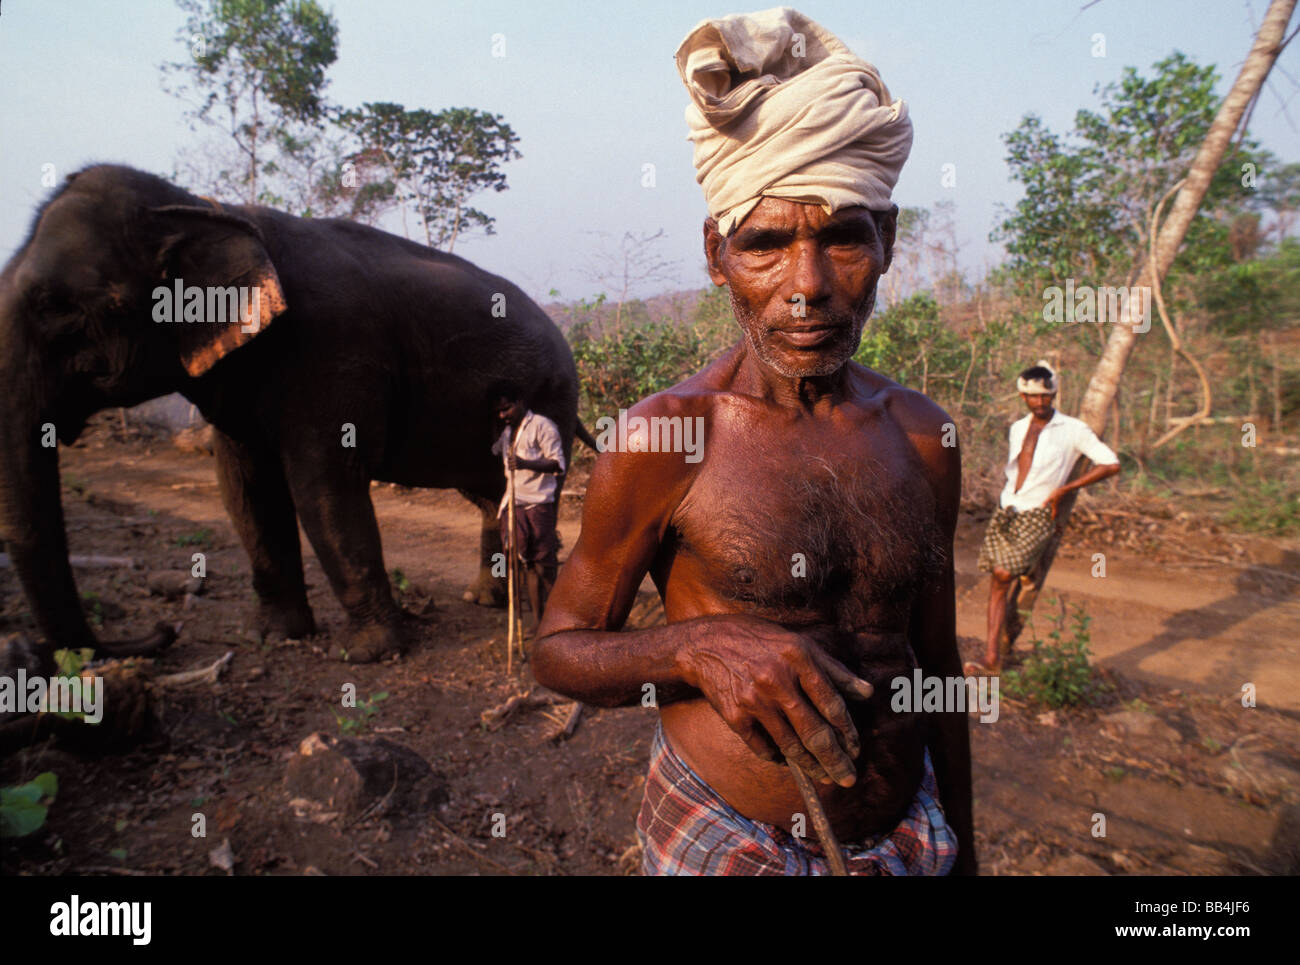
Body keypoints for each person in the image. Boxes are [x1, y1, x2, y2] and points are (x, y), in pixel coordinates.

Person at [533, 8, 974, 876]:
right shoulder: (669, 437)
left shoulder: (924, 436)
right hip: (727, 833)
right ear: (717, 254)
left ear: (886, 241)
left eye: (843, 238)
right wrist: (696, 648)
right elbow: (559, 648)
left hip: (907, 830)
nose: (805, 287)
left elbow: (937, 660)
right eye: (766, 244)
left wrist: (964, 845)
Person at [970, 362, 1120, 675]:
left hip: (1038, 512)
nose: (1040, 402)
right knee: (998, 582)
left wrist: (1065, 489)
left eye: (1046, 396)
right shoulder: (1018, 428)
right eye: (1033, 396)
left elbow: (1110, 463)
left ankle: (995, 655)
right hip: (1008, 508)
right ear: (1023, 395)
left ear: (1054, 394)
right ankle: (993, 656)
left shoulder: (1073, 429)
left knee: (1002, 574)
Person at [489, 382, 565, 632]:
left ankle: (560, 619)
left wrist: (524, 463)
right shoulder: (508, 433)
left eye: (507, 408)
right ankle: (538, 621)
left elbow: (556, 464)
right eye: (499, 411)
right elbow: (494, 451)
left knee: (545, 565)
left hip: (538, 503)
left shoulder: (543, 427)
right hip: (514, 503)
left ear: (520, 402)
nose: (504, 415)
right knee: (527, 563)